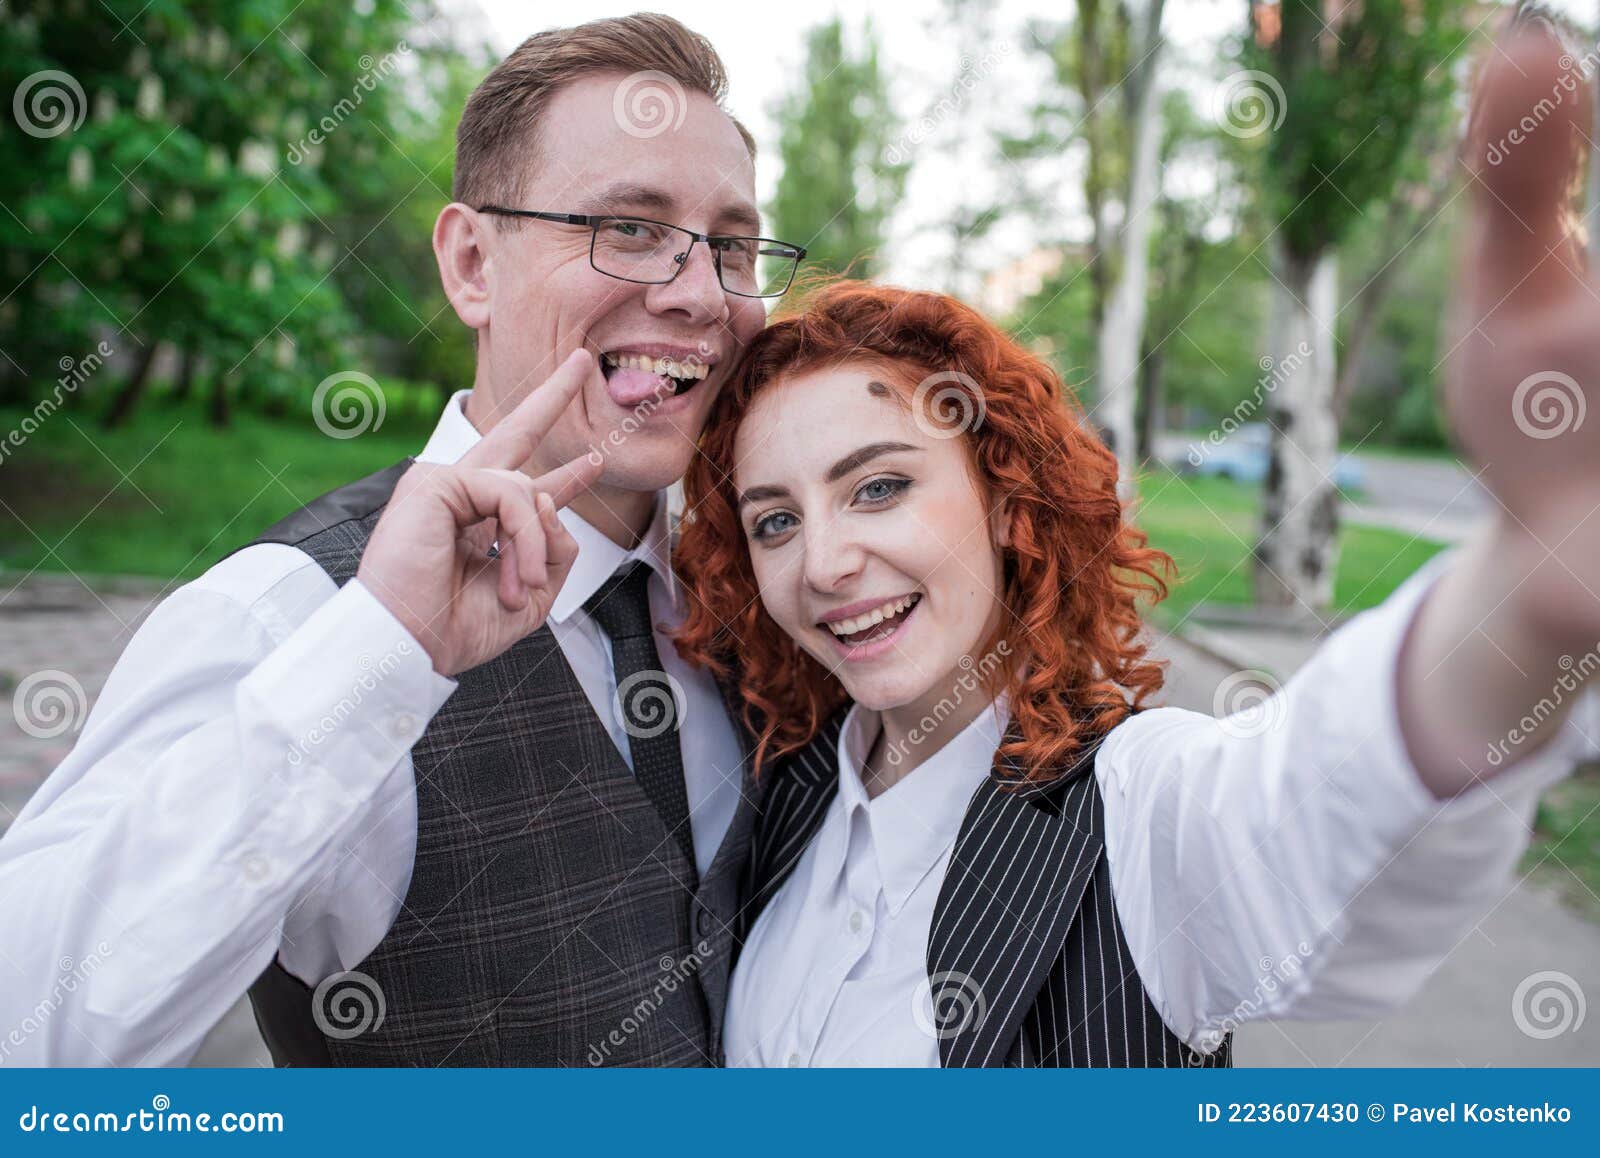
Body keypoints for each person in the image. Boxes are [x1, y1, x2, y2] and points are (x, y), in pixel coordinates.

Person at [670, 29, 1600, 1065]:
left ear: (1004, 501)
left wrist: (1525, 595)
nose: (825, 561)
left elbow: (1321, 802)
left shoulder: (1135, 812)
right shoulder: (781, 804)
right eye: (774, 520)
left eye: (879, 486)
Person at [0, 14, 806, 1066]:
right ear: (473, 261)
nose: (700, 293)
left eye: (733, 247)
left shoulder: (762, 591)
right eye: (630, 228)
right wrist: (376, 654)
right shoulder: (284, 613)